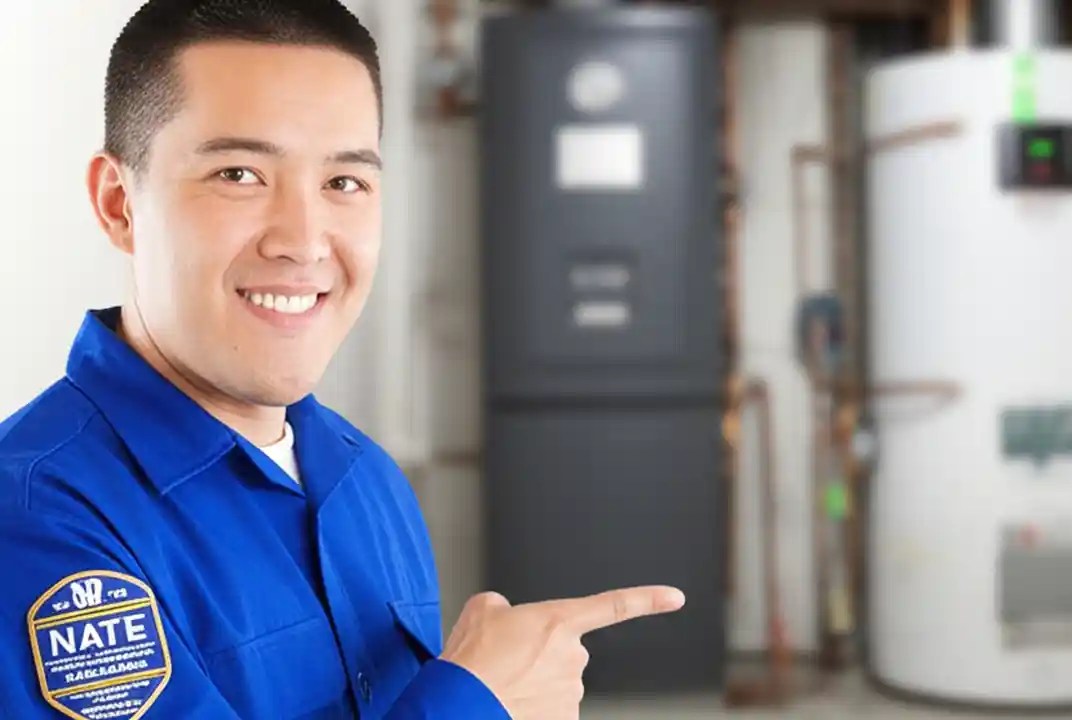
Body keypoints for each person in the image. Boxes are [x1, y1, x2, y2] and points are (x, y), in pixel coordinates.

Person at [0, 1, 685, 718]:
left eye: (344, 184)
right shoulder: (41, 520)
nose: (303, 240)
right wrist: (474, 702)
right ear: (119, 204)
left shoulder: (365, 479)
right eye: (239, 174)